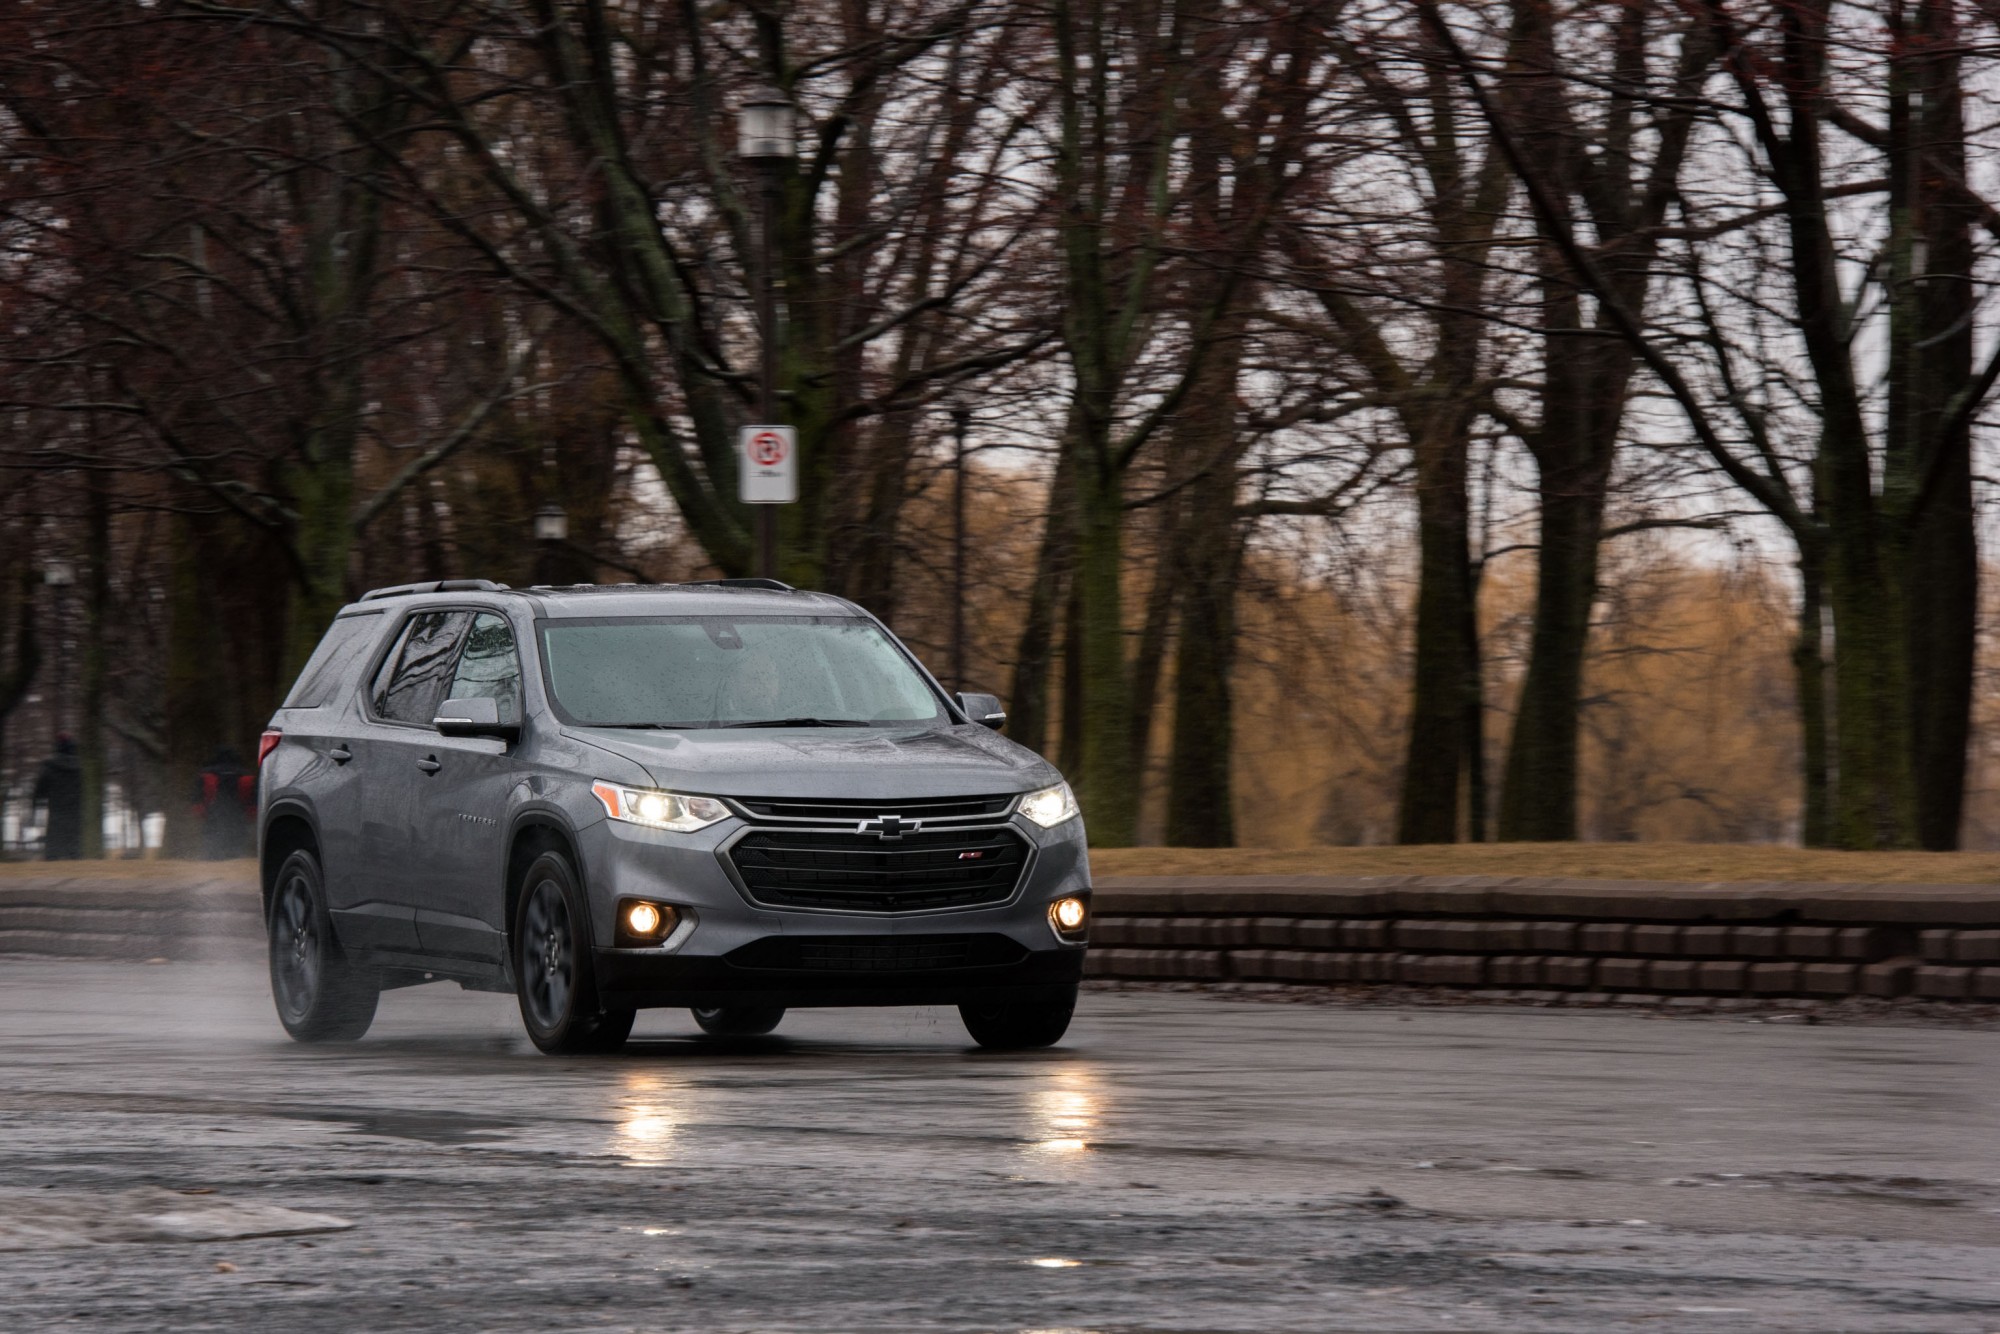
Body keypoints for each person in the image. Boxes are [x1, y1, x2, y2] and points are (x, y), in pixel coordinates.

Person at [194, 745, 256, 860]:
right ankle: (234, 863)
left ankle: (211, 864)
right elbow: (253, 801)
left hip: (213, 815)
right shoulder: (246, 774)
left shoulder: (206, 773)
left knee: (212, 845)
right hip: (239, 816)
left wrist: (202, 814)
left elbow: (197, 798)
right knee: (237, 848)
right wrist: (249, 816)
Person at [31, 736, 83, 860]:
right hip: (75, 814)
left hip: (56, 813)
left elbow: (39, 791)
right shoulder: (81, 769)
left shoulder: (49, 767)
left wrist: (35, 806)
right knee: (74, 852)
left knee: (53, 853)